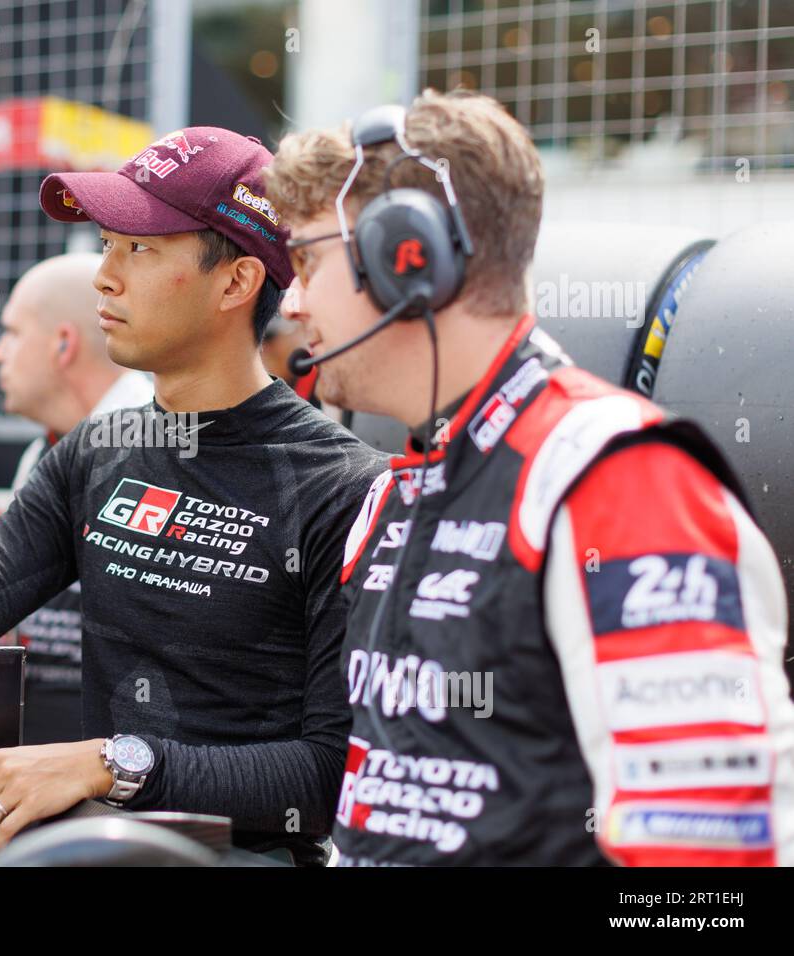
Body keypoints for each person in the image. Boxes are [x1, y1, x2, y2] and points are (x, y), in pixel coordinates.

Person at [262, 89, 794, 866]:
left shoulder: (618, 482)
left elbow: (708, 871)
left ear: (408, 257)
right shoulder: (394, 495)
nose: (294, 302)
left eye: (307, 260)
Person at [0, 127, 387, 856]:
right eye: (108, 244)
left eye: (139, 249)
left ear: (236, 283)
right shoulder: (96, 451)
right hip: (97, 850)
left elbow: (331, 775)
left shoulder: (345, 487)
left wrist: (108, 763)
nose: (105, 277)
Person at [0, 252, 154, 744]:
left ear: (64, 343)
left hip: (134, 766)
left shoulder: (158, 445)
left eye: (13, 333)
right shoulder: (44, 449)